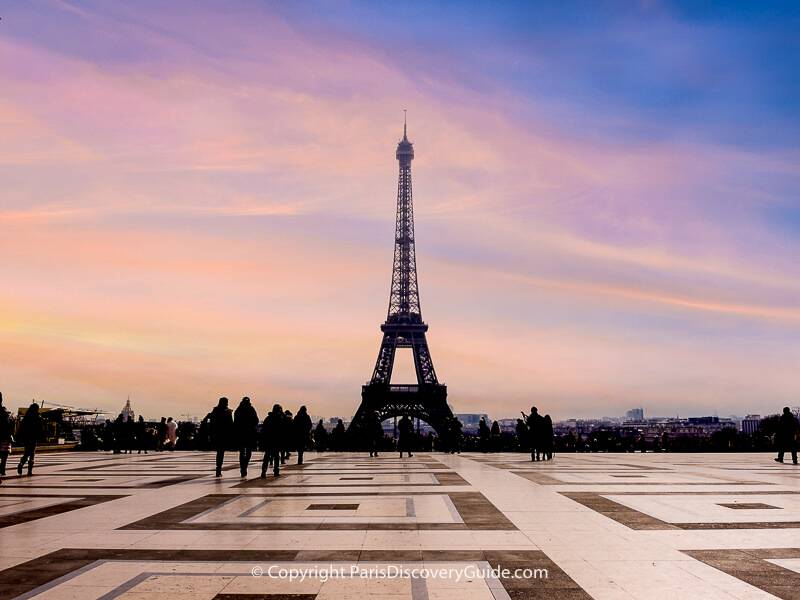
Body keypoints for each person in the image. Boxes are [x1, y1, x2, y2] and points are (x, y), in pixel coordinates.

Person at [234, 397, 259, 477]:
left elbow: (236, 422)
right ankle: (244, 466)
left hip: (241, 433)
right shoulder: (251, 409)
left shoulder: (238, 410)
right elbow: (256, 420)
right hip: (249, 433)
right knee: (248, 452)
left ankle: (243, 467)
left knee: (242, 452)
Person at [209, 399, 233, 477]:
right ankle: (219, 469)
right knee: (221, 452)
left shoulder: (215, 410)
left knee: (219, 452)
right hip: (224, 434)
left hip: (217, 434)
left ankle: (218, 468)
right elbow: (230, 424)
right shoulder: (228, 411)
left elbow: (212, 422)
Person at [17, 402, 41, 476]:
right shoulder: (37, 417)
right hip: (33, 438)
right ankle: (29, 470)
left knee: (26, 452)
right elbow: (39, 428)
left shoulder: (26, 417)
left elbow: (21, 428)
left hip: (26, 438)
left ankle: (21, 463)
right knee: (32, 454)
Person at [261, 404, 284, 477]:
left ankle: (264, 471)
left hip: (269, 440)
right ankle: (276, 471)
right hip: (275, 440)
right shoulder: (279, 418)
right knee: (276, 456)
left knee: (267, 456)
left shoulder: (268, 418)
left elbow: (264, 429)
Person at [0, 393, 12, 476]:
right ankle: (2, 469)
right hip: (4, 437)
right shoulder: (4, 413)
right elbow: (8, 426)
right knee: (4, 454)